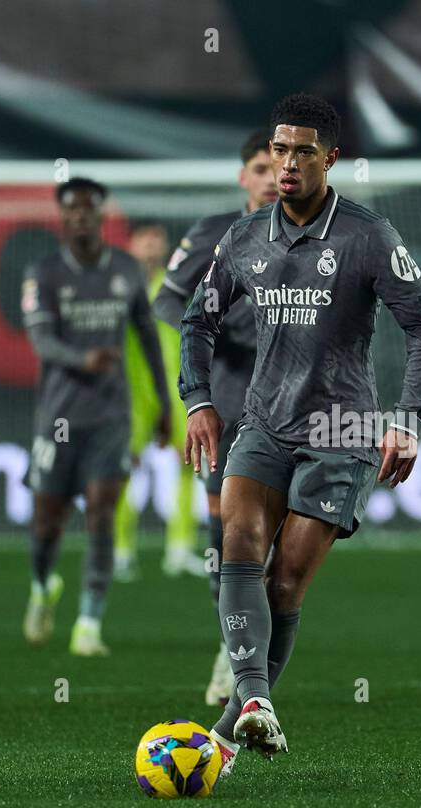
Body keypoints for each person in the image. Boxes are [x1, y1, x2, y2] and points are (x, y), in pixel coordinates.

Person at [178, 94, 421, 778]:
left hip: (343, 425)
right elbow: (197, 322)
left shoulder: (367, 235)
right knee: (235, 545)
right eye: (277, 150)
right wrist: (198, 401)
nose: (284, 164)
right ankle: (256, 701)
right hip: (264, 419)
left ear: (331, 159)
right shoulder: (242, 239)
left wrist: (409, 417)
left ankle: (227, 734)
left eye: (300, 151)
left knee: (286, 582)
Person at [152, 130, 278, 706]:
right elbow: (167, 299)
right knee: (229, 535)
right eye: (260, 167)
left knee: (279, 544)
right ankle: (236, 653)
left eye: (280, 164)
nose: (274, 176)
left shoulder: (326, 238)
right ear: (242, 177)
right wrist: (216, 330)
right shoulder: (213, 233)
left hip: (302, 409)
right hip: (228, 404)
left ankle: (251, 651)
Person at [21, 178, 171, 656]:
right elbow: (41, 340)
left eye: (90, 208)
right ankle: (44, 587)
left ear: (102, 214)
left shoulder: (126, 270)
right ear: (61, 217)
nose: (81, 216)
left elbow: (148, 338)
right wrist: (80, 360)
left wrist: (168, 404)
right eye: (72, 209)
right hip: (59, 417)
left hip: (111, 416)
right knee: (48, 523)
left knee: (102, 515)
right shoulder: (43, 273)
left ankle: (88, 622)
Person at [114, 220, 207, 581]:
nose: (152, 245)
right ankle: (121, 550)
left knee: (190, 465)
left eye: (157, 238)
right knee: (123, 468)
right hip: (134, 391)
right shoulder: (119, 287)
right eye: (145, 239)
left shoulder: (177, 286)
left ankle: (179, 549)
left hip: (176, 386)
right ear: (132, 245)